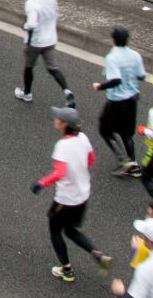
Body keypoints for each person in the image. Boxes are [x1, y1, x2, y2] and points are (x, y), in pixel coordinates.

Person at [33, 104, 110, 283]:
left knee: (55, 231)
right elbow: (91, 159)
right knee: (71, 229)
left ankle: (66, 269)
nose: (55, 120)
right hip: (82, 195)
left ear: (64, 124)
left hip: (65, 199)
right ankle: (97, 254)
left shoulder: (62, 146)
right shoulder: (83, 138)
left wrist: (40, 184)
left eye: (58, 118)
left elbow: (59, 173)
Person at [95, 25, 146, 176]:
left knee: (104, 129)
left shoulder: (112, 57)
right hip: (132, 99)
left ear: (113, 40)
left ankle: (124, 161)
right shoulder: (135, 55)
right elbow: (142, 76)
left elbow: (115, 80)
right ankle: (134, 165)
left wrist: (100, 86)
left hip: (117, 100)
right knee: (126, 133)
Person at [16, 0, 73, 105]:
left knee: (29, 67)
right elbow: (56, 13)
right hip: (51, 39)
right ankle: (66, 91)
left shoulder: (31, 3)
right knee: (53, 68)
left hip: (35, 42)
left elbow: (32, 24)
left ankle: (27, 93)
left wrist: (24, 26)